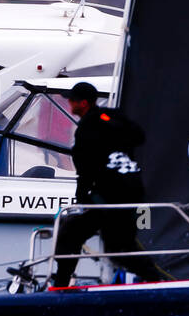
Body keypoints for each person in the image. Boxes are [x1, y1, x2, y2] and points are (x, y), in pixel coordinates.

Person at [50, 81, 160, 286]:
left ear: (83, 103)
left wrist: (82, 198)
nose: (69, 103)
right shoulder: (113, 117)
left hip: (112, 194)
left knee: (75, 233)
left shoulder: (85, 129)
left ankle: (61, 284)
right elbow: (138, 137)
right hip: (132, 189)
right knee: (117, 242)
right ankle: (155, 281)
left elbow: (85, 170)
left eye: (72, 100)